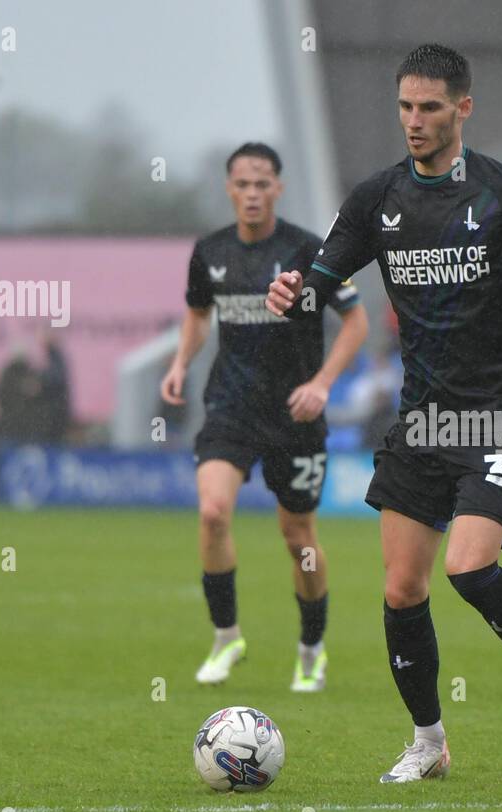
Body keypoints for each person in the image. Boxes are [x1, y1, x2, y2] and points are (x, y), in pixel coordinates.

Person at [266, 44, 502, 783]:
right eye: (405, 106)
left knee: (470, 568)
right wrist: (293, 295)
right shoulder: (376, 200)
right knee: (402, 588)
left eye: (430, 107)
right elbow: (319, 281)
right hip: (425, 421)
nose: (414, 121)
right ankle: (429, 742)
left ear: (462, 108)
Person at [161, 142, 368, 691]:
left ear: (277, 187)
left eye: (262, 184)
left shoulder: (308, 249)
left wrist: (322, 385)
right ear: (230, 190)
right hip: (230, 406)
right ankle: (227, 638)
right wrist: (180, 362)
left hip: (294, 416)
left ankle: (311, 648)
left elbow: (355, 322)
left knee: (298, 539)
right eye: (242, 184)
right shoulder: (209, 251)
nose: (252, 194)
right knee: (212, 513)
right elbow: (197, 312)